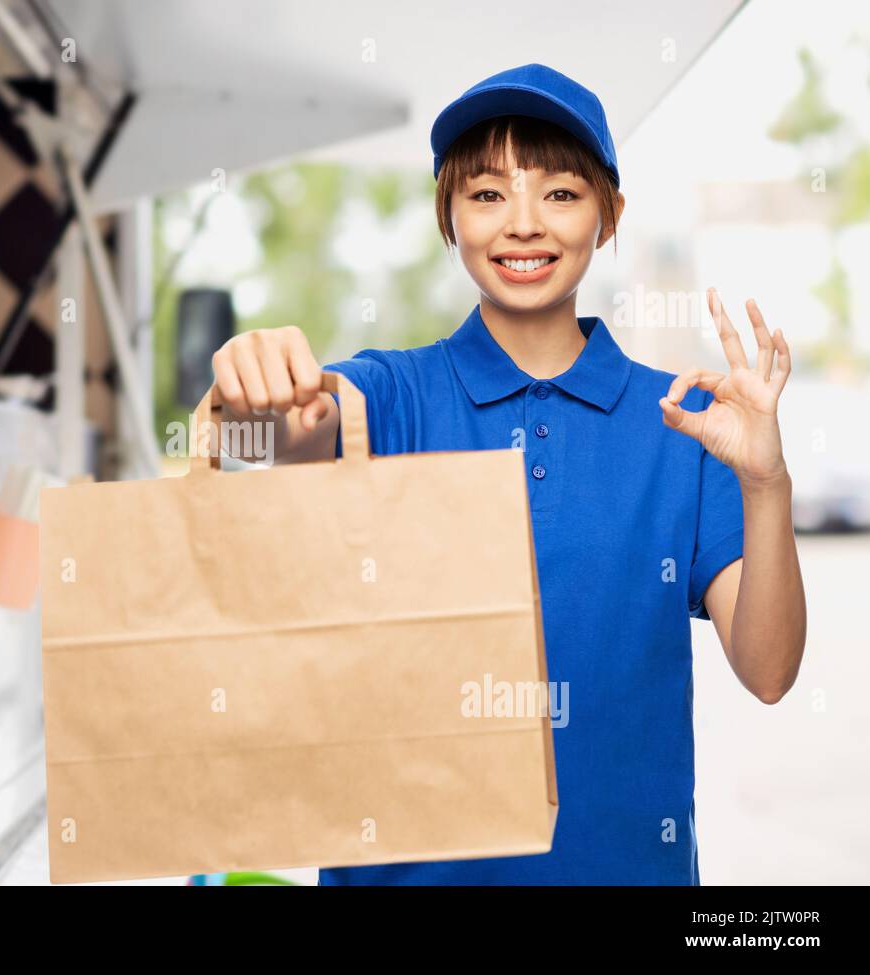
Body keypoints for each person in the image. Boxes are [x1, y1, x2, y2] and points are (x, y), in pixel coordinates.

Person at [209, 63, 807, 885]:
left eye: (560, 193)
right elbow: (257, 446)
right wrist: (248, 391)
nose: (523, 224)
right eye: (487, 194)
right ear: (447, 219)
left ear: (609, 216)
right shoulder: (389, 395)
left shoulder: (681, 424)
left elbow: (770, 673)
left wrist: (767, 484)